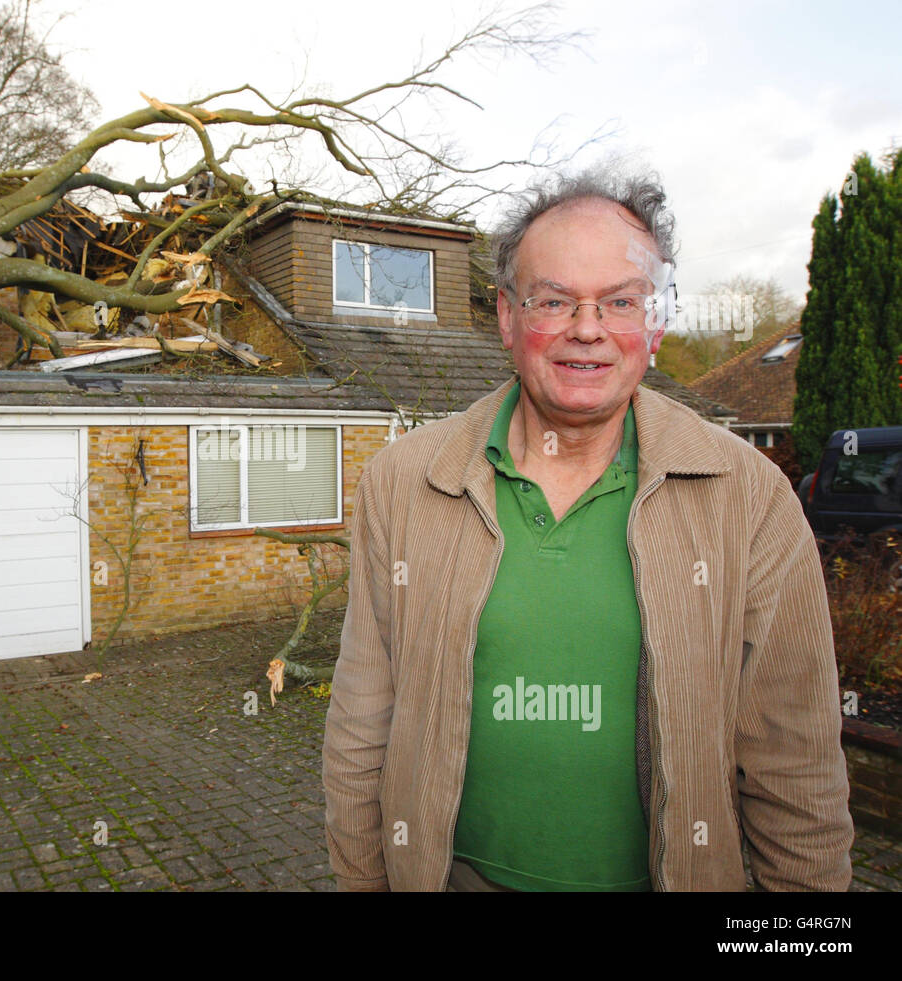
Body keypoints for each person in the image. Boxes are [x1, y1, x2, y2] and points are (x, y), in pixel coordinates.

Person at [321, 168, 854, 892]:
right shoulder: (402, 482)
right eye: (555, 300)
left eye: (620, 301)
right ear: (507, 315)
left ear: (656, 321)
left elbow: (796, 760)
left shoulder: (749, 496)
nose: (588, 328)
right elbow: (361, 726)